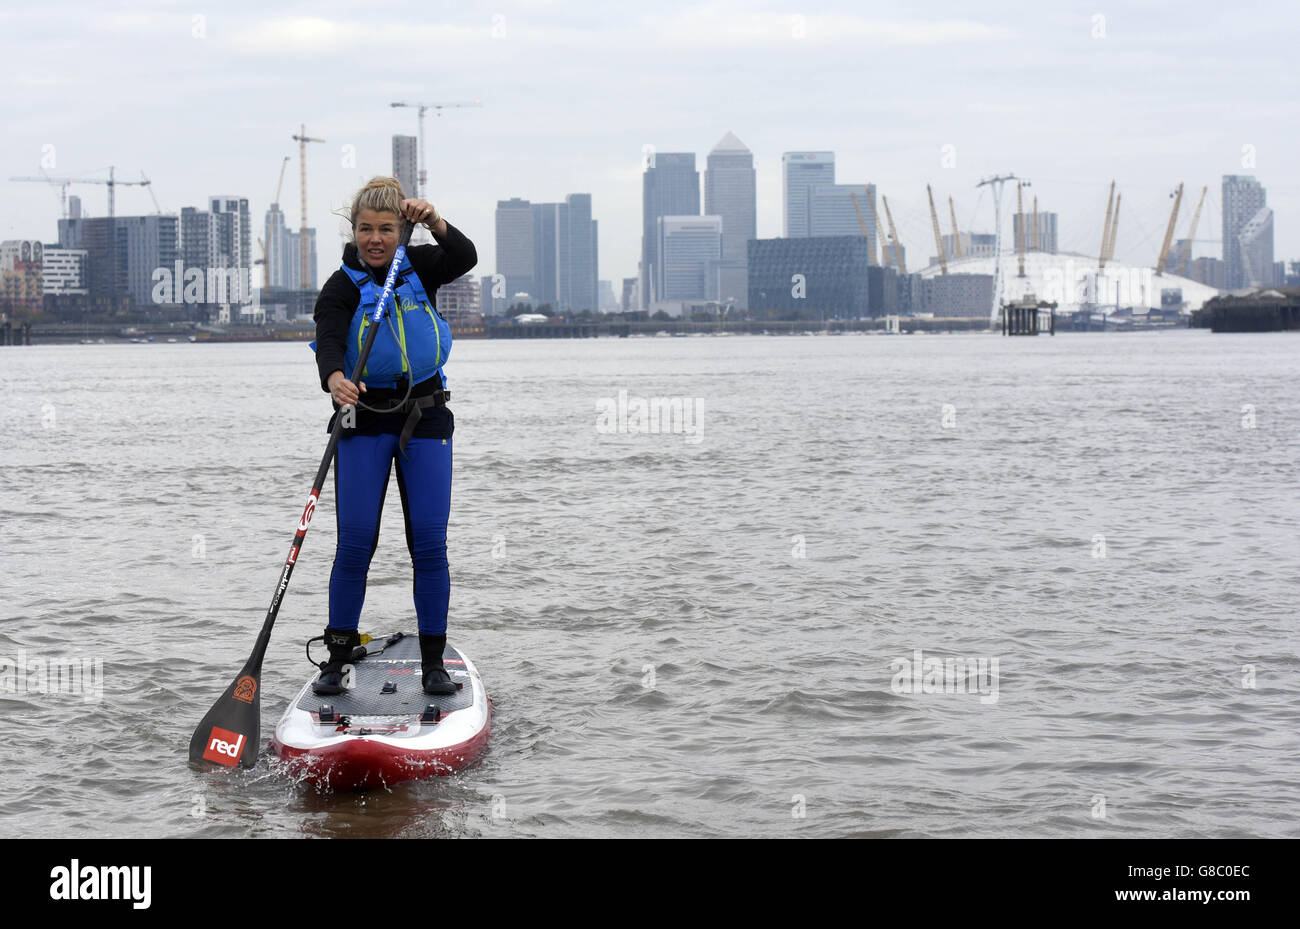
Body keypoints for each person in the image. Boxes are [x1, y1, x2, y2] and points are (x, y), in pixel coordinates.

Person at [311, 176, 476, 697]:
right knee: (355, 543)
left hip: (425, 417)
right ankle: (336, 662)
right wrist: (335, 379)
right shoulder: (340, 288)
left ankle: (433, 663)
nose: (375, 239)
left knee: (429, 543)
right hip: (365, 419)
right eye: (365, 229)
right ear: (353, 230)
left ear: (399, 231)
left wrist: (435, 223)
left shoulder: (419, 268)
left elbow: (465, 257)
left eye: (385, 229)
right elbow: (329, 342)